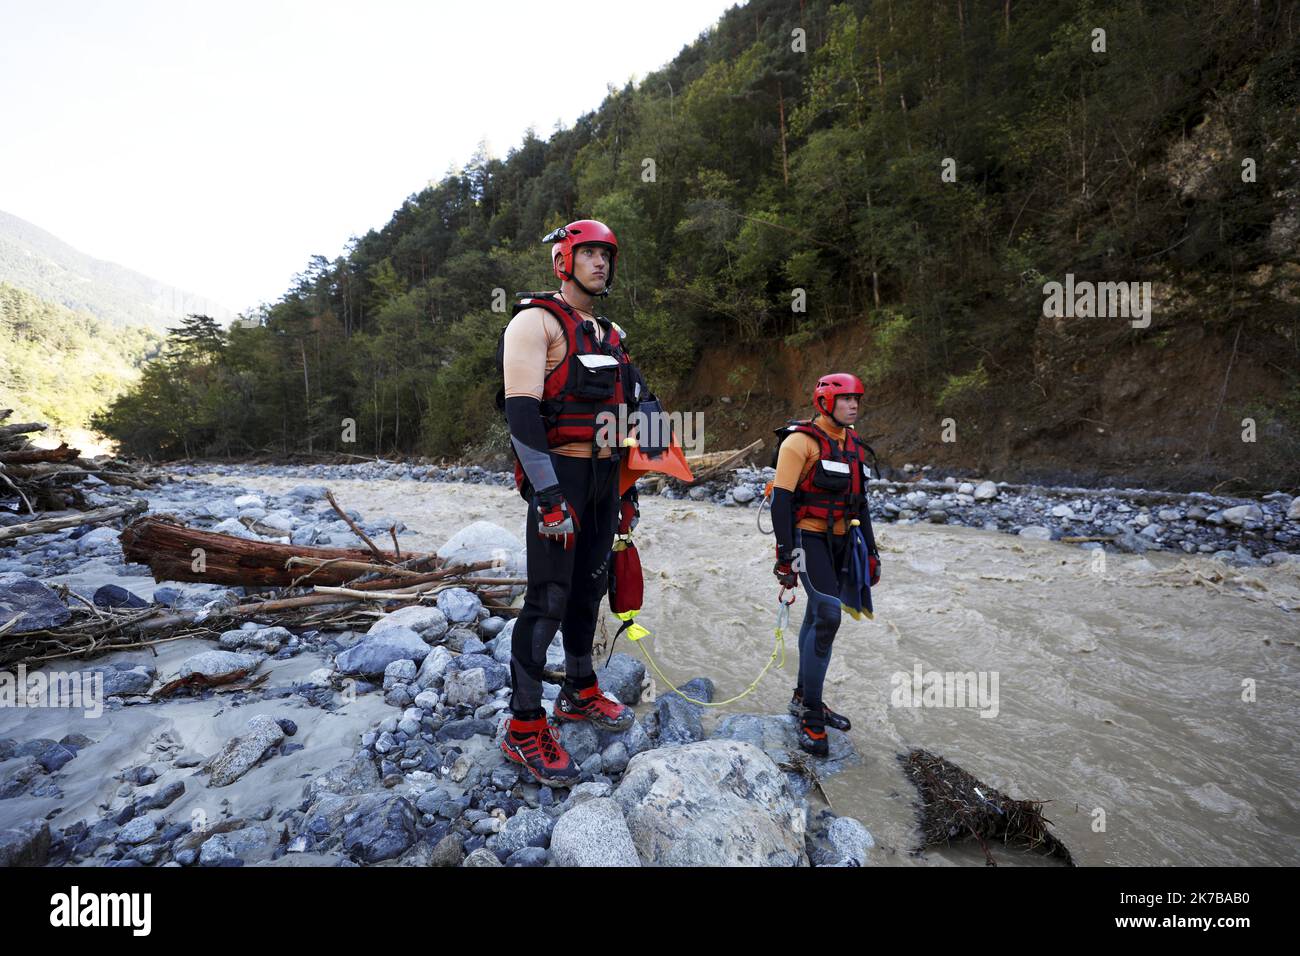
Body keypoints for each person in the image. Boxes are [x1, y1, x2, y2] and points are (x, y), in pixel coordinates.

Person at [498, 219, 642, 786]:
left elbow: (638, 405)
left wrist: (630, 485)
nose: (601, 263)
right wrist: (549, 494)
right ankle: (524, 726)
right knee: (549, 597)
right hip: (560, 475)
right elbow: (522, 415)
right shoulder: (533, 323)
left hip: (605, 476)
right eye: (589, 254)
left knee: (591, 586)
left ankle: (579, 691)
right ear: (564, 259)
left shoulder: (610, 334)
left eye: (607, 254)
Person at [769, 373, 881, 756]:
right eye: (846, 399)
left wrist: (872, 551)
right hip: (807, 537)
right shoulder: (799, 442)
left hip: (842, 541)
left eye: (857, 400)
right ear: (825, 403)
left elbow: (861, 503)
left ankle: (804, 696)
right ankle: (811, 715)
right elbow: (781, 502)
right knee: (829, 616)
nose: (853, 405)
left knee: (818, 616)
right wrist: (785, 555)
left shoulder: (853, 445)